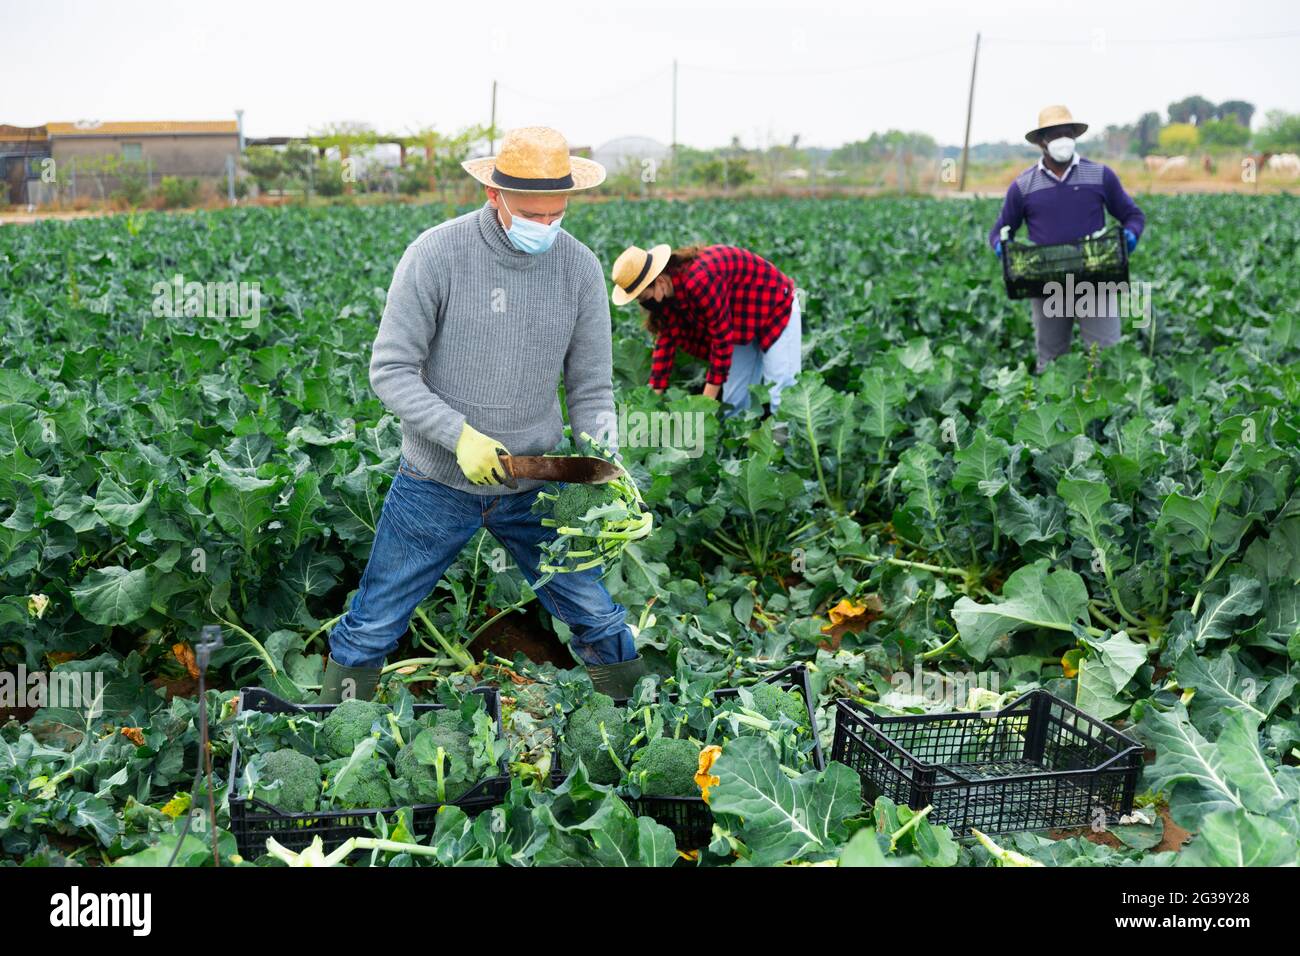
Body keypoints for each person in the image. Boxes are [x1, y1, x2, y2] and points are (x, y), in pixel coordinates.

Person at [319, 126, 648, 704]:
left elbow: (592, 388)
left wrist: (603, 456)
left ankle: (635, 724)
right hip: (435, 481)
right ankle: (330, 731)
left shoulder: (579, 268)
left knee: (597, 615)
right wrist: (459, 435)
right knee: (373, 622)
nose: (545, 227)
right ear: (494, 195)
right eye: (530, 213)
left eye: (557, 214)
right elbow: (391, 370)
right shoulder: (436, 254)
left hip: (537, 485)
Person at [989, 105, 1146, 373]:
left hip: (1097, 278)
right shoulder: (1023, 186)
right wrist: (1001, 248)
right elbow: (1000, 230)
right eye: (1055, 134)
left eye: (1068, 133)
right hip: (1046, 282)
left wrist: (1130, 235)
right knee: (1051, 361)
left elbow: (1133, 215)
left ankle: (1110, 414)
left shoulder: (1100, 175)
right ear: (1041, 141)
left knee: (1106, 358)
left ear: (1075, 136)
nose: (1063, 139)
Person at [609, 243, 801, 416]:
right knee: (733, 401)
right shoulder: (668, 295)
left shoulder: (698, 280)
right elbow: (665, 344)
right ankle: (743, 448)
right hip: (741, 323)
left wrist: (705, 404)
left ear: (659, 282)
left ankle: (786, 448)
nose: (644, 304)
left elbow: (721, 340)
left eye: (643, 297)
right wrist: (649, 401)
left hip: (776, 305)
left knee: (782, 392)